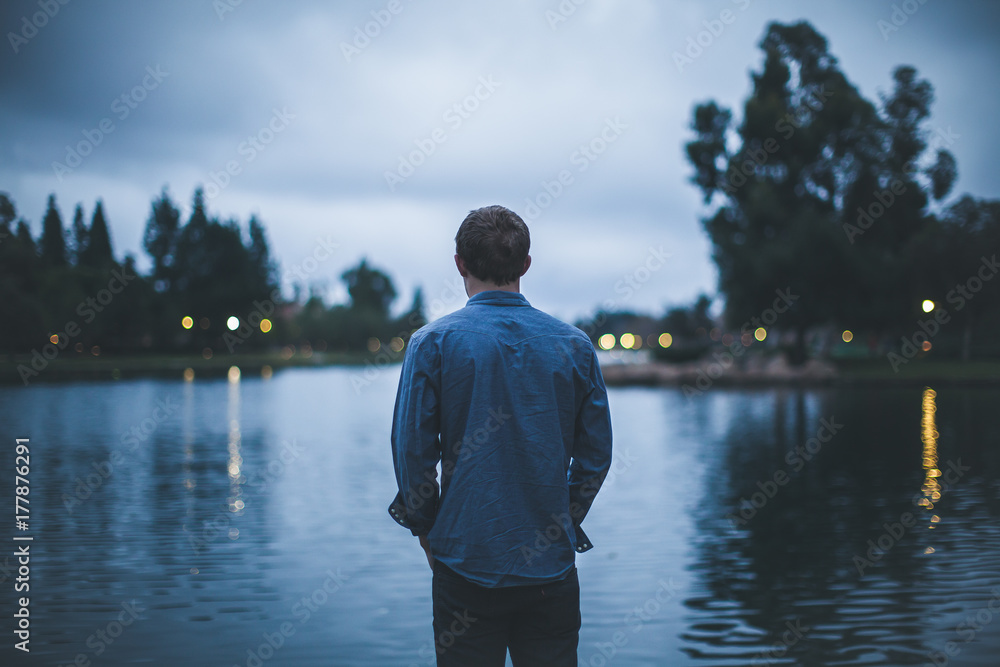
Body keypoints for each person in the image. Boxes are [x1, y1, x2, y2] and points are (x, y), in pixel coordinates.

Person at [388, 204, 613, 666]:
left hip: (464, 564)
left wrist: (429, 530)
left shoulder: (432, 344)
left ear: (460, 264)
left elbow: (411, 453)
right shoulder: (574, 346)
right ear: (525, 265)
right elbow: (597, 454)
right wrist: (562, 520)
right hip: (550, 569)